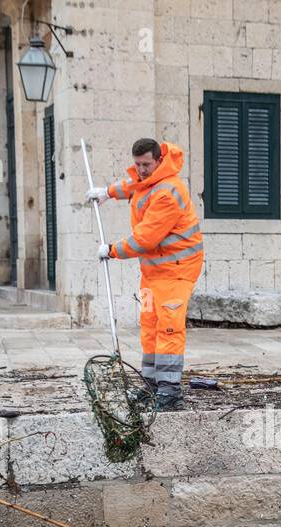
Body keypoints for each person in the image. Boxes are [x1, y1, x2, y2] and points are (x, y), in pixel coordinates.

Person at [87, 138, 204, 411]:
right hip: (153, 272)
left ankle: (170, 392)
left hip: (176, 270)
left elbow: (145, 239)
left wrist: (112, 250)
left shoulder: (168, 192)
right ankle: (151, 386)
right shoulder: (149, 179)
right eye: (137, 164)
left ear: (159, 161)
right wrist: (107, 192)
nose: (141, 170)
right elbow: (133, 185)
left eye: (146, 164)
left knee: (169, 328)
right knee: (150, 326)